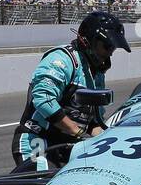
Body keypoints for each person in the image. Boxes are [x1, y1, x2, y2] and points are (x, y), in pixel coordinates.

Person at [11, 10, 130, 168]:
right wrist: (77, 131)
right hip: (37, 140)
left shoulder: (97, 72)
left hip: (68, 147)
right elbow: (43, 98)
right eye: (108, 45)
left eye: (113, 47)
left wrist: (111, 141)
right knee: (44, 184)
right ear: (89, 40)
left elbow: (92, 121)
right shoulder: (63, 59)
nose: (111, 52)